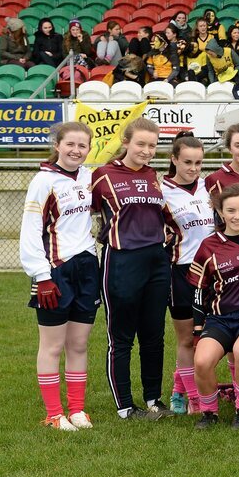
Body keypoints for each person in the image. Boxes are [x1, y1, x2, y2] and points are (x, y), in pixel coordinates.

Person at [90, 118, 172, 420]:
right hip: (122, 261)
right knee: (121, 338)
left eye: (152, 146)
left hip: (156, 261)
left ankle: (153, 399)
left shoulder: (152, 175)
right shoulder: (103, 175)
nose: (146, 151)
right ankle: (125, 406)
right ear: (126, 142)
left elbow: (163, 215)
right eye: (141, 144)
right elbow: (88, 213)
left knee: (153, 335)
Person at [20, 122, 99, 431]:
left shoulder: (89, 177)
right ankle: (54, 414)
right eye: (70, 144)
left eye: (82, 145)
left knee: (78, 344)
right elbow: (30, 230)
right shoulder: (43, 181)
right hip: (55, 269)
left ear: (89, 148)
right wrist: (42, 275)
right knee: (52, 345)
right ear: (57, 145)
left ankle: (77, 409)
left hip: (87, 266)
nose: (76, 150)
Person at [189, 184, 239, 429]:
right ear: (220, 212)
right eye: (231, 210)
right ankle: (209, 412)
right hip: (221, 318)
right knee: (202, 361)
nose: (238, 216)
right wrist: (197, 329)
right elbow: (198, 291)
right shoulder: (208, 246)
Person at [162, 134, 215, 416]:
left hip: (213, 271)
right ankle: (193, 398)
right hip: (181, 271)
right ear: (174, 160)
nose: (193, 168)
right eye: (187, 162)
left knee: (208, 336)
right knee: (186, 339)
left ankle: (179, 389)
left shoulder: (209, 187)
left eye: (198, 163)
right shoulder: (162, 192)